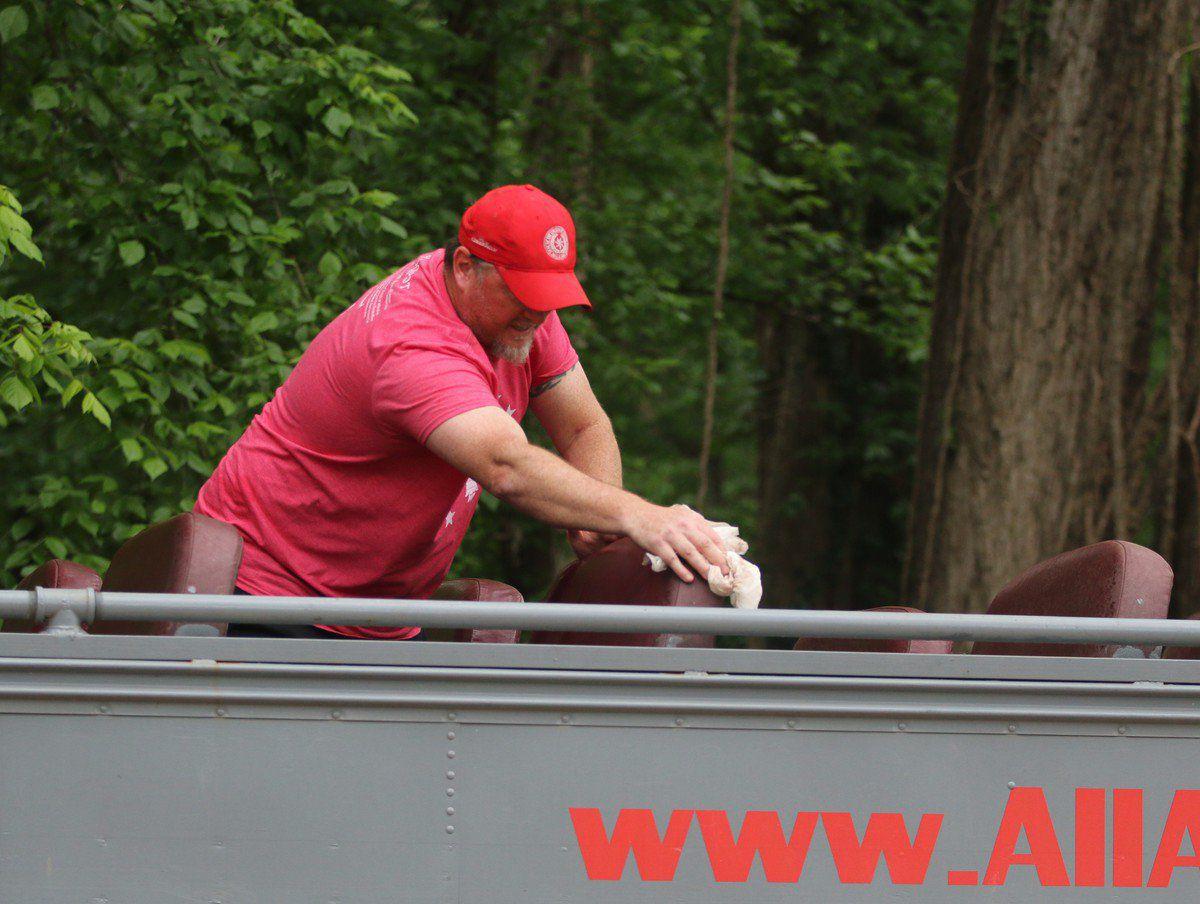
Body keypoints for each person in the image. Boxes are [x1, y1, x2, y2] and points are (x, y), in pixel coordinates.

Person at [195, 184, 728, 639]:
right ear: (466, 266)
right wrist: (640, 516)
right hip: (268, 595)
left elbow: (584, 424)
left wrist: (599, 522)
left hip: (379, 611)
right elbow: (506, 466)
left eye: (548, 294)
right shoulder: (412, 343)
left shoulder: (520, 318)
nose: (539, 312)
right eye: (523, 292)